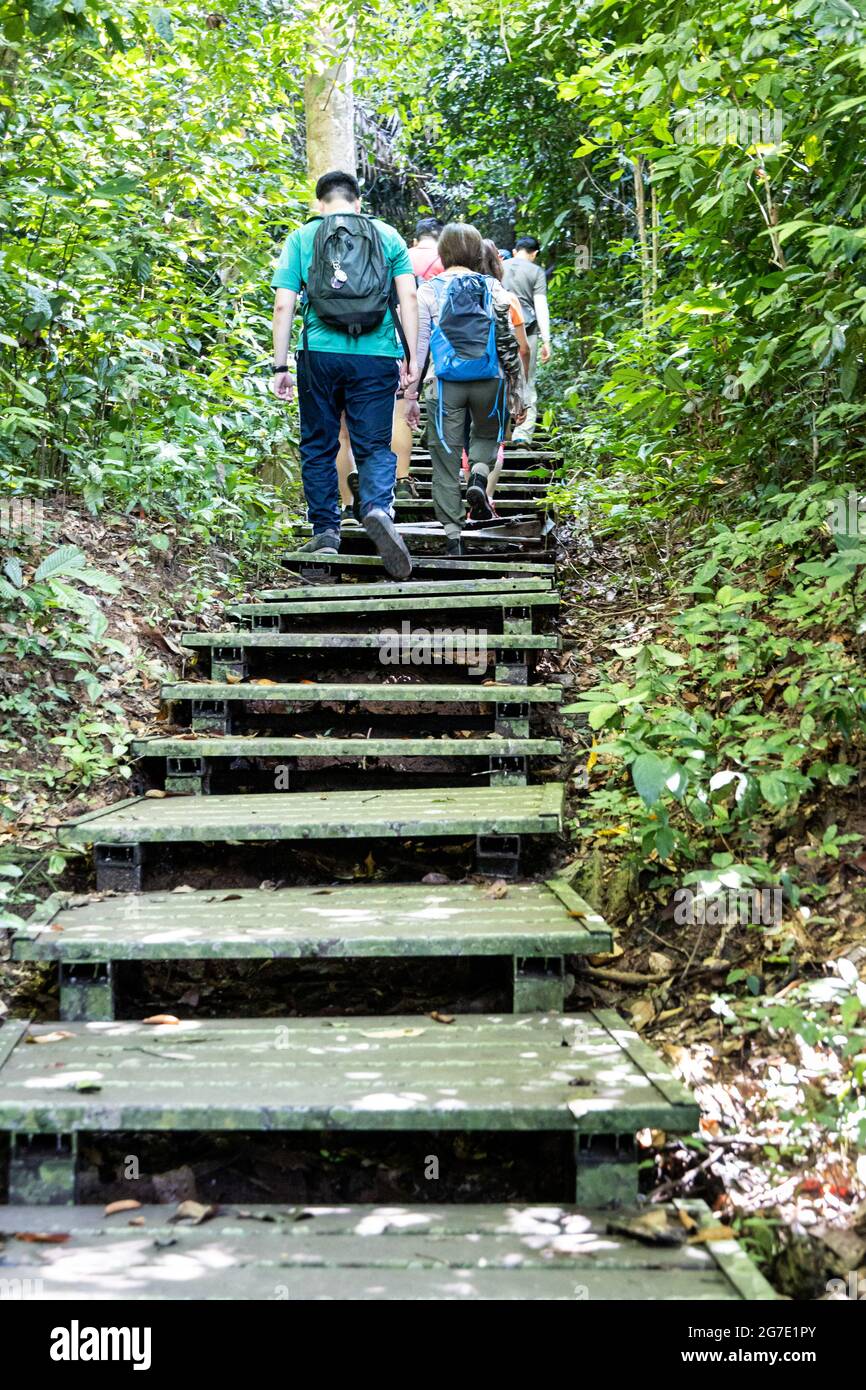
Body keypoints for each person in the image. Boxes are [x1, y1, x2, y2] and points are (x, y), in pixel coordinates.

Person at [270, 169, 419, 579]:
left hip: (318, 354)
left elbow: (285, 304)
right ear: (358, 202)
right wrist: (413, 360)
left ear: (319, 203)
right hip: (376, 354)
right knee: (373, 443)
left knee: (318, 442)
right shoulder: (386, 235)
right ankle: (375, 507)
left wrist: (280, 365)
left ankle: (325, 530)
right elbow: (408, 297)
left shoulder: (303, 237)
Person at [405, 222, 520, 557]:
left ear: (443, 253)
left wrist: (410, 394)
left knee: (444, 460)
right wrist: (517, 391)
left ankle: (453, 534)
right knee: (486, 436)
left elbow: (420, 348)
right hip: (490, 380)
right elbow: (508, 344)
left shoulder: (426, 291)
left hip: (443, 384)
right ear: (477, 252)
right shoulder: (495, 288)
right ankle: (480, 476)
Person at [390, 218, 445, 504]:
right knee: (443, 399)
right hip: (441, 344)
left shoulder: (402, 254)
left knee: (400, 409)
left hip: (402, 337)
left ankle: (401, 478)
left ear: (416, 239)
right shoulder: (448, 259)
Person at [480, 239, 530, 502]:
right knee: (494, 440)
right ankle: (486, 498)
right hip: (497, 378)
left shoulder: (452, 294)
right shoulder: (508, 298)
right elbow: (522, 348)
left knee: (468, 440)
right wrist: (521, 389)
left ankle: (471, 491)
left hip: (458, 376)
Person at [502, 235, 551, 443]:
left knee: (501, 380)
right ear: (535, 254)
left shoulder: (499, 266)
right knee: (526, 381)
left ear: (515, 251)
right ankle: (522, 434)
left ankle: (501, 431)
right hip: (527, 332)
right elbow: (540, 305)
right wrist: (546, 339)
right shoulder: (536, 272)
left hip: (500, 332)